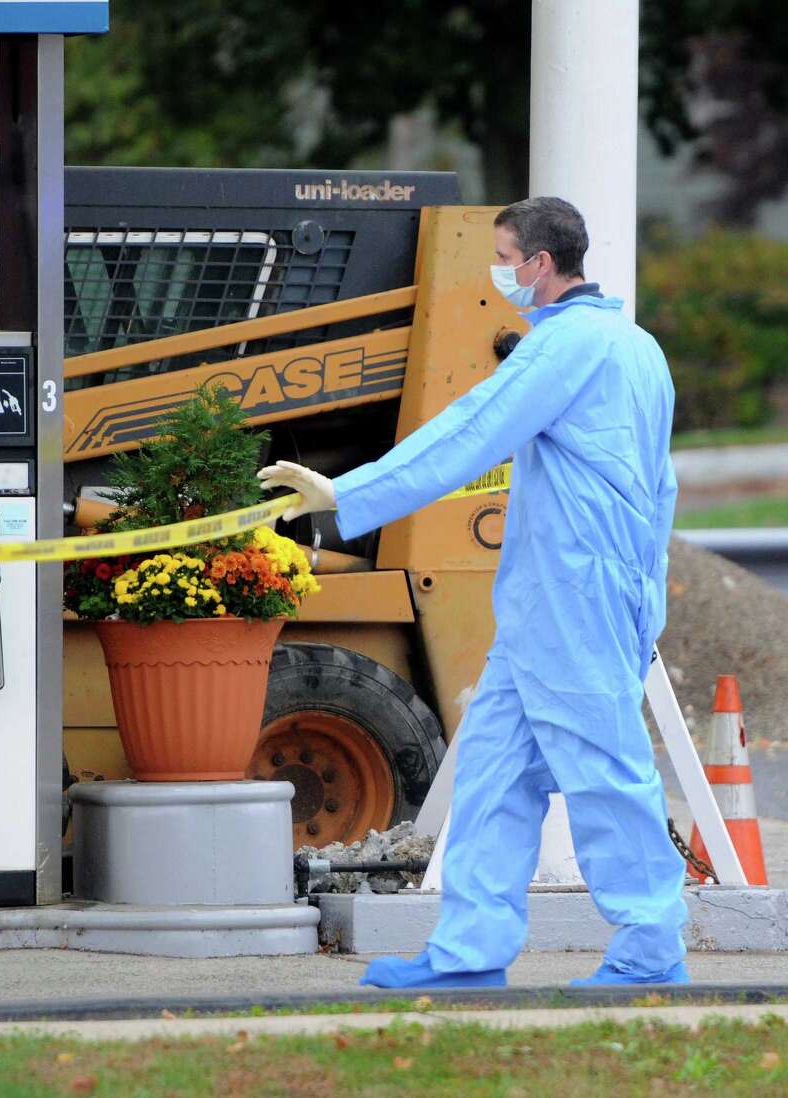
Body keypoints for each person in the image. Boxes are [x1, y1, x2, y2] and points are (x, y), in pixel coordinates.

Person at [258, 197, 688, 989]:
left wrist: (344, 494)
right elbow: (661, 487)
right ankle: (467, 955)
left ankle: (651, 949)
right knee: (492, 776)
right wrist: (645, 601)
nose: (499, 276)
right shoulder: (638, 348)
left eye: (504, 258)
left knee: (604, 770)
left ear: (541, 265)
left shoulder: (562, 348)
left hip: (569, 596)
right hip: (573, 596)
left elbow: (471, 431)